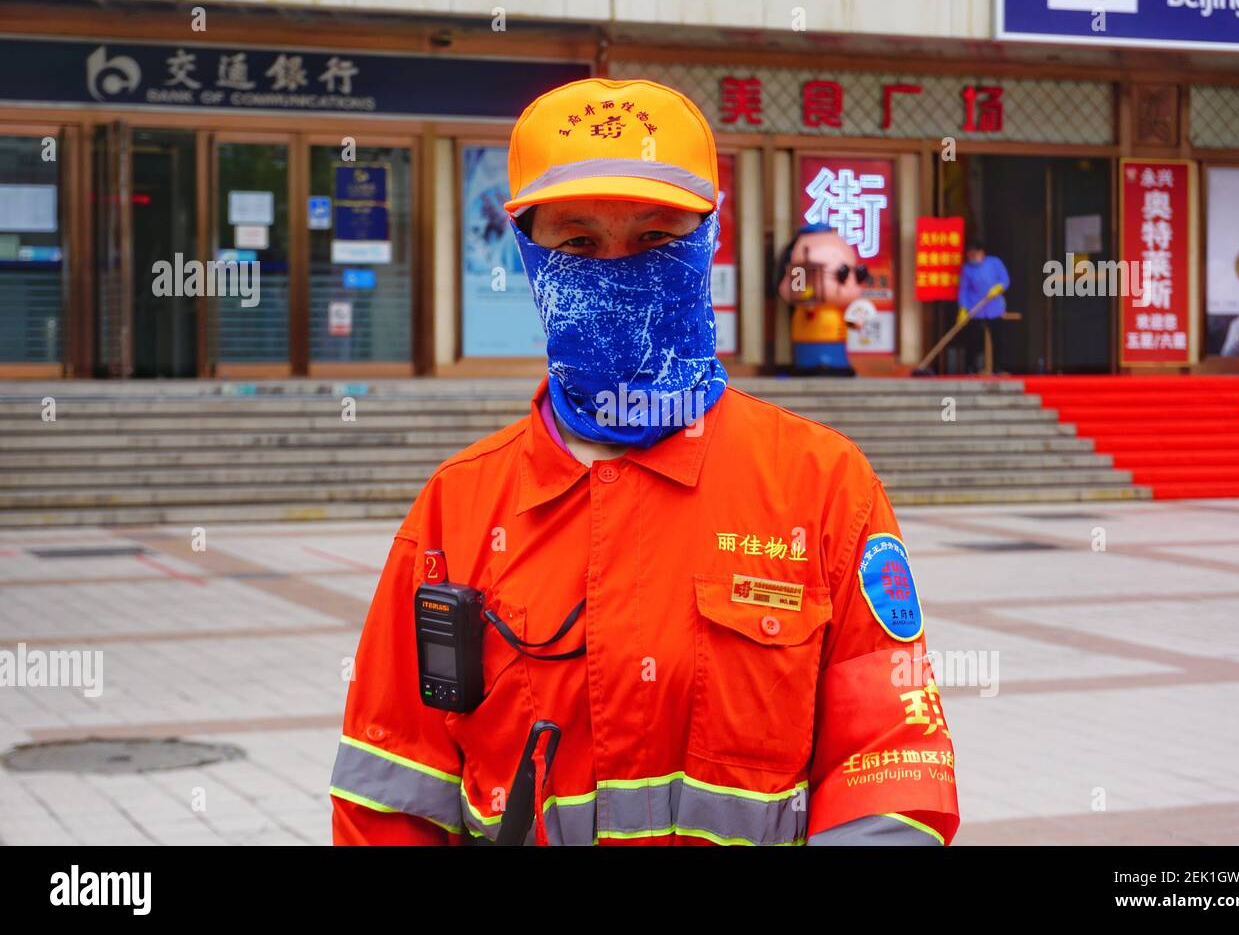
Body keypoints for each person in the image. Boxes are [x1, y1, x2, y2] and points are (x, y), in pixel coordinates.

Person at [328, 77, 959, 846]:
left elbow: (893, 766)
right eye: (580, 241)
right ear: (529, 253)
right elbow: (390, 797)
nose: (619, 267)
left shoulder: (822, 486)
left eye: (656, 238)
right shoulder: (459, 509)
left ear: (707, 242)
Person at [776, 223, 874, 376]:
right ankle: (809, 365)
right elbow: (789, 288)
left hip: (837, 345)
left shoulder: (838, 310)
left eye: (858, 274)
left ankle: (836, 364)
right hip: (806, 343)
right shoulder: (800, 280)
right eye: (842, 274)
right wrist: (806, 299)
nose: (850, 282)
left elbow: (849, 321)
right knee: (808, 358)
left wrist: (856, 322)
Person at [956, 238, 1010, 374]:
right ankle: (970, 367)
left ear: (982, 253)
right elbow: (964, 289)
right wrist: (962, 308)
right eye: (970, 255)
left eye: (974, 254)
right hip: (975, 309)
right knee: (973, 340)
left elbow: (1005, 279)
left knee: (998, 339)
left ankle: (998, 368)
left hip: (994, 307)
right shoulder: (967, 269)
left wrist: (999, 287)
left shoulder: (994, 262)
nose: (972, 257)